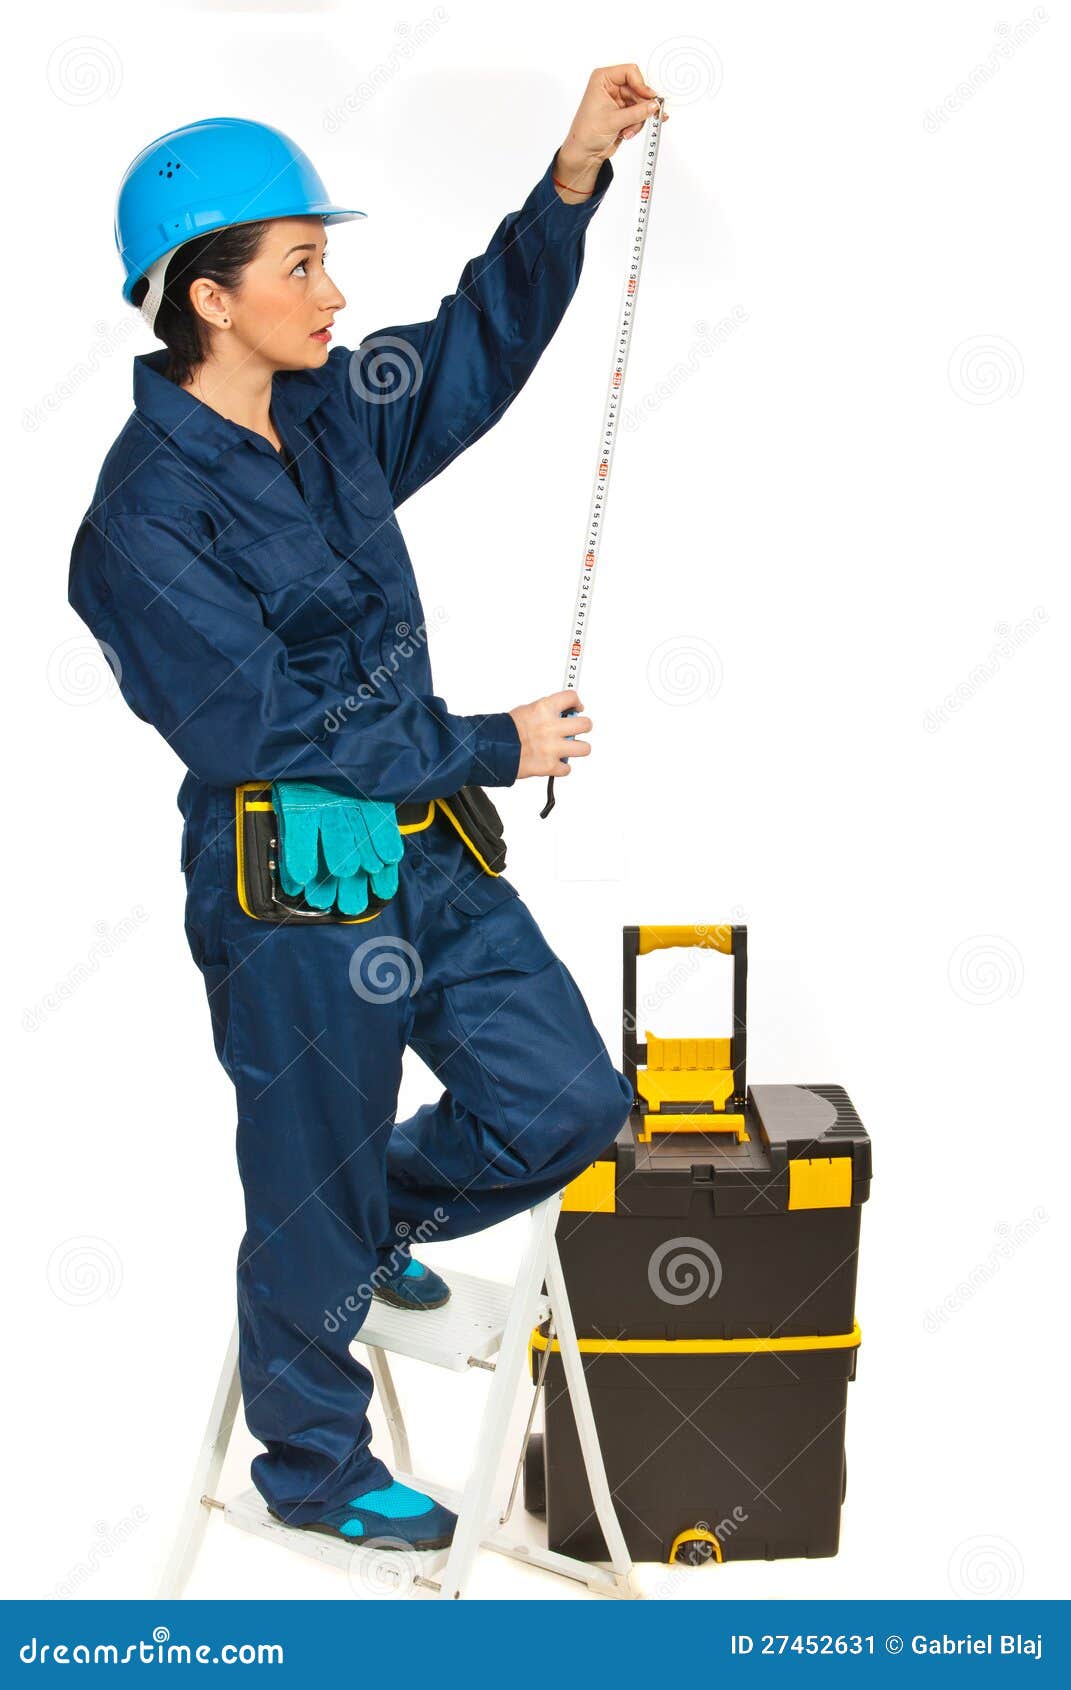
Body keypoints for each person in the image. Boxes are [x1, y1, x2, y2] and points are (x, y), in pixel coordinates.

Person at [68, 65, 662, 1552]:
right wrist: (487, 741)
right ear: (208, 298)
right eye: (303, 264)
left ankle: (375, 1217)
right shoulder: (141, 520)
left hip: (432, 858)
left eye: (325, 258)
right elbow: (273, 722)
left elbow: (472, 349)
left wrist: (573, 174)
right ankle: (316, 1468)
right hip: (300, 889)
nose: (335, 289)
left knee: (568, 1101)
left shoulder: (332, 414)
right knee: (305, 1173)